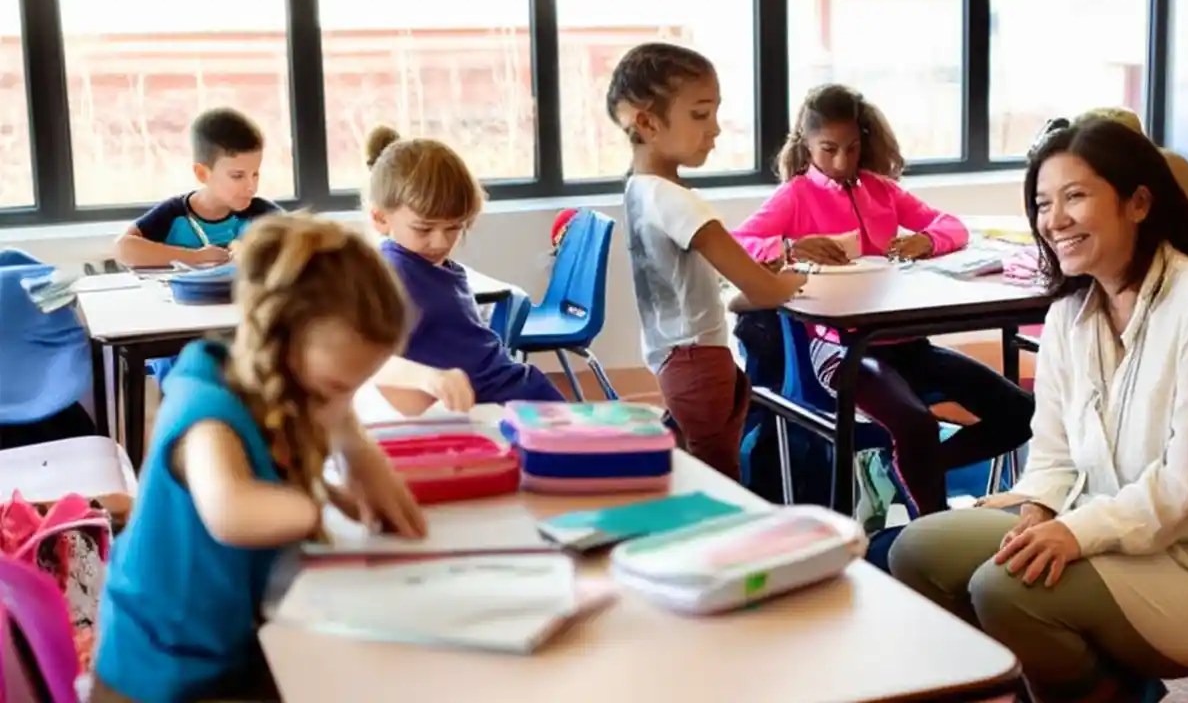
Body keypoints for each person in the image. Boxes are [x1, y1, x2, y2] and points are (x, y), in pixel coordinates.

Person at [889, 120, 1188, 703]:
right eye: (1043, 203)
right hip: (1094, 532)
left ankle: (1101, 692)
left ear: (1138, 202)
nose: (1053, 220)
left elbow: (1183, 483)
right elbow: (1054, 450)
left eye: (1075, 196)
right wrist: (1039, 509)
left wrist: (1073, 531)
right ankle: (1080, 684)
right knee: (914, 550)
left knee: (1005, 589)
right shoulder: (1074, 310)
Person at [92, 214, 429, 702]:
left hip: (233, 647)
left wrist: (360, 457)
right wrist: (318, 505)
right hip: (159, 677)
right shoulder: (205, 408)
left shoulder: (287, 384)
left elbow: (341, 426)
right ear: (279, 343)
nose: (341, 409)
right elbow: (232, 512)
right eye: (334, 390)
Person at [733, 84, 1033, 516]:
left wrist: (925, 241)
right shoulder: (795, 196)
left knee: (1020, 412)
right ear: (807, 146)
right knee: (916, 423)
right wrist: (788, 247)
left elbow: (953, 226)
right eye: (828, 149)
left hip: (906, 343)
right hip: (841, 351)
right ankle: (935, 521)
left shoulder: (881, 190)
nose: (841, 162)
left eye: (852, 149)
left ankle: (910, 469)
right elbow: (738, 243)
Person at [606, 42, 806, 479]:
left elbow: (704, 281)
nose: (714, 129)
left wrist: (760, 277)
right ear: (647, 122)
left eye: (715, 112)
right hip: (698, 363)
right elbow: (765, 291)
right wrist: (797, 278)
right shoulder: (678, 202)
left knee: (695, 468)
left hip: (673, 358)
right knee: (720, 485)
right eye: (700, 114)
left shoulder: (639, 189)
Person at [364, 125, 563, 411]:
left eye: (454, 228)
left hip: (514, 392)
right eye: (424, 229)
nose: (440, 241)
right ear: (381, 219)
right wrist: (428, 378)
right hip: (493, 405)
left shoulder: (426, 265)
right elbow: (362, 357)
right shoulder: (392, 273)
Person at [113, 107, 282, 269]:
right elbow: (123, 249)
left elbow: (303, 245)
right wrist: (195, 257)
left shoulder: (263, 214)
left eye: (255, 174)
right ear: (202, 174)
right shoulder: (174, 214)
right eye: (237, 176)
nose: (251, 186)